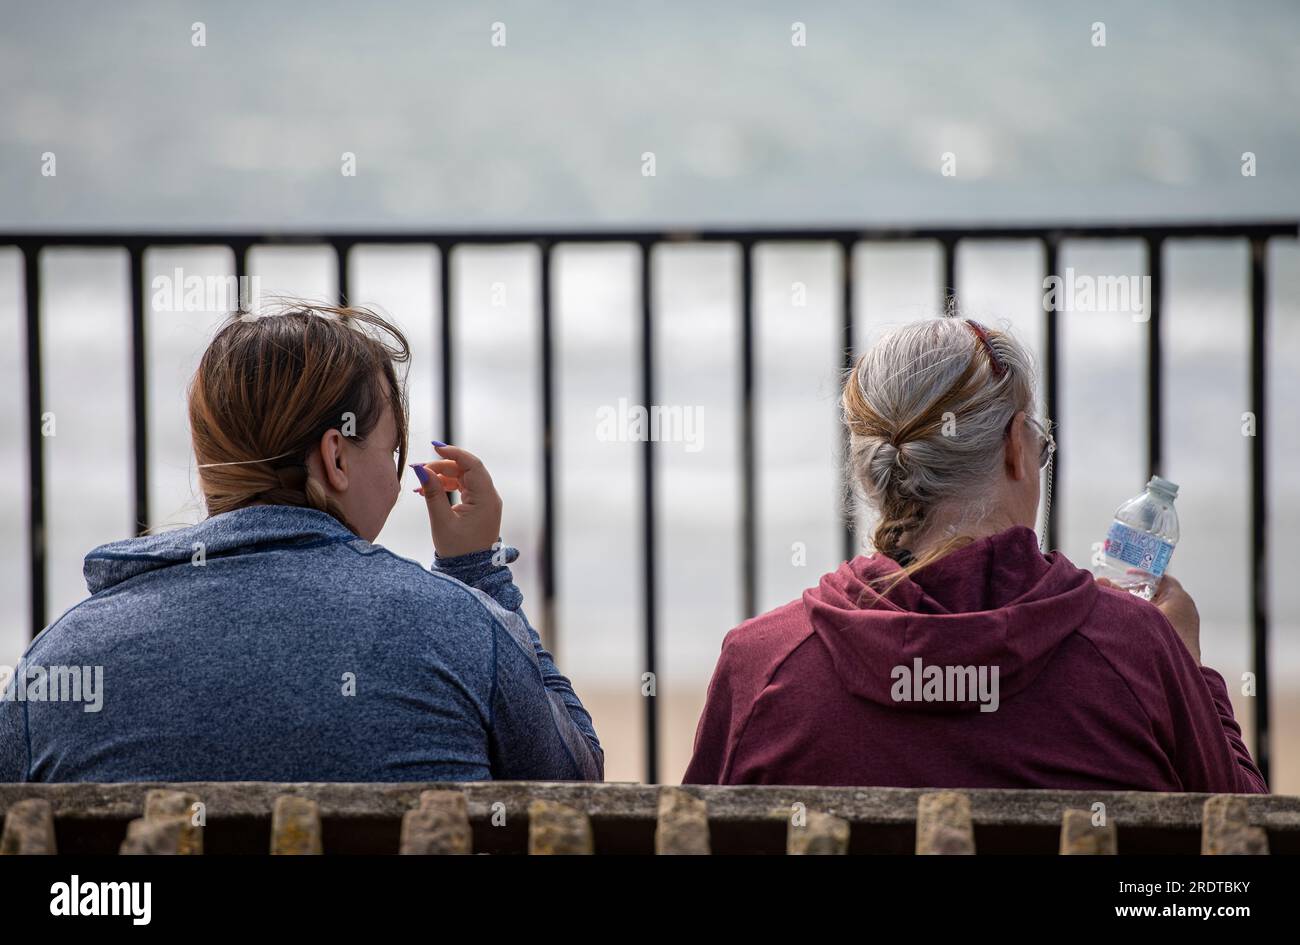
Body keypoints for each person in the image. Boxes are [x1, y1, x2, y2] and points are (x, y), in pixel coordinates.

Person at [0, 302, 602, 782]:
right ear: (335, 457)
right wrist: (479, 572)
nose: (397, 474)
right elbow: (573, 783)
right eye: (392, 452)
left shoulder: (61, 660)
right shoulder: (456, 628)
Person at [683, 315, 1266, 793]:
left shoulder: (762, 664)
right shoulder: (1135, 652)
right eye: (1039, 440)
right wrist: (1191, 670)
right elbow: (1238, 849)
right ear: (1017, 447)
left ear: (870, 469)